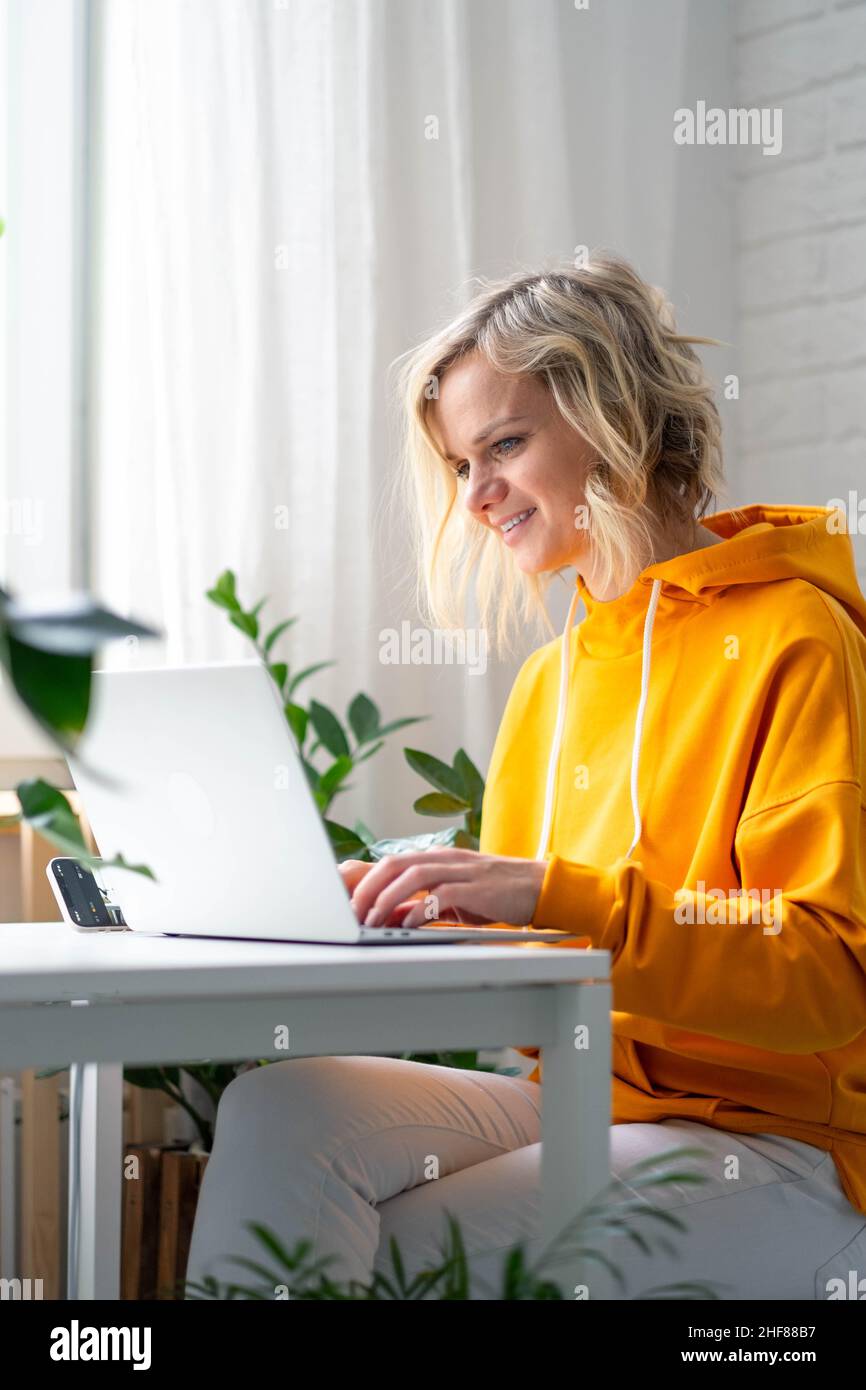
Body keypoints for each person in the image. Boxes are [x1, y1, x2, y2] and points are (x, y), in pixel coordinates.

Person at [185, 253, 866, 1300]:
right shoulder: (550, 681)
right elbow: (538, 992)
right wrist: (415, 911)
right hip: (592, 1097)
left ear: (616, 415)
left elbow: (826, 975)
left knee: (404, 1254)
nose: (477, 494)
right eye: (462, 463)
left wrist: (549, 896)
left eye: (504, 443)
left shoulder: (793, 636)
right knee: (283, 1114)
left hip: (774, 1138)